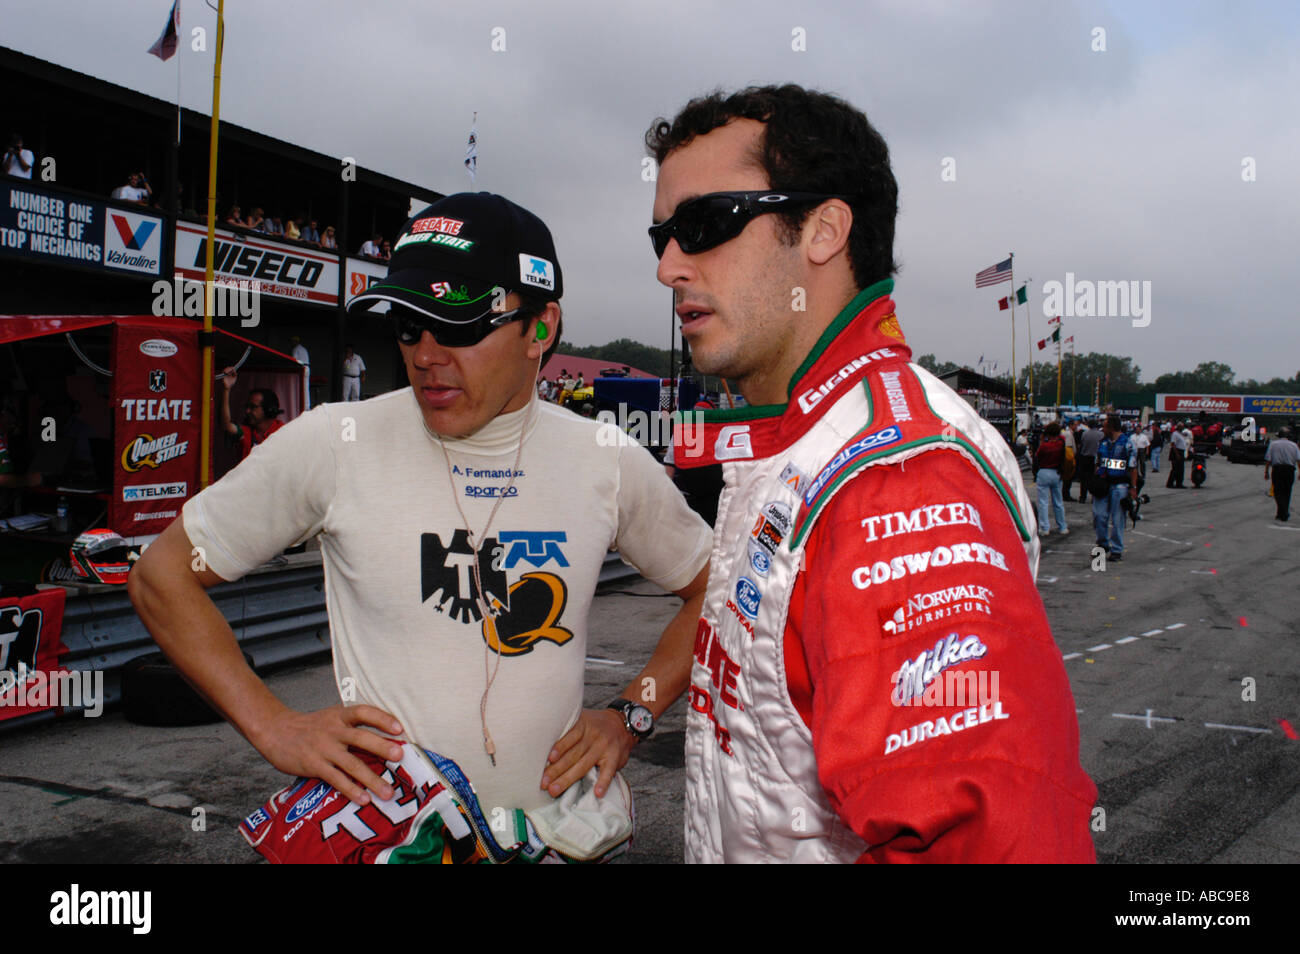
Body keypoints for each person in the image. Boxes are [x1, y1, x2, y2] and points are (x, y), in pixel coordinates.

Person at [128, 191, 711, 861]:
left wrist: (632, 712)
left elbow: (714, 590)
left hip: (557, 839)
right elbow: (160, 577)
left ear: (540, 328)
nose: (427, 354)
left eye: (459, 327)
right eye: (408, 326)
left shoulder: (605, 459)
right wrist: (274, 726)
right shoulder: (334, 442)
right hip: (394, 843)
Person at [647, 84, 1095, 863]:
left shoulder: (896, 478)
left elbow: (997, 840)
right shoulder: (804, 440)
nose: (668, 266)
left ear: (823, 230)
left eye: (701, 225)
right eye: (660, 235)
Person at [1092, 414, 1138, 561]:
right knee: (1099, 515)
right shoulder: (1103, 443)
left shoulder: (1127, 443)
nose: (1103, 429)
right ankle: (1103, 543)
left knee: (1118, 518)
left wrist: (1133, 487)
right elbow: (1098, 462)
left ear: (1111, 427)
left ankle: (1116, 549)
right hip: (1103, 484)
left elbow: (1132, 467)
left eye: (1105, 426)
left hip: (1120, 485)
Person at [218, 368, 285, 461]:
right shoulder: (247, 432)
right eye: (247, 407)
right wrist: (226, 389)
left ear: (269, 410)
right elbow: (226, 425)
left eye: (253, 407)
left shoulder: (283, 432)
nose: (247, 411)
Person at [1034, 421, 1069, 535]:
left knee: (1043, 502)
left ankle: (1045, 528)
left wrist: (1043, 439)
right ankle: (1062, 526)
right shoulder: (1061, 443)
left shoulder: (1044, 445)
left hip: (1044, 471)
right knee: (1058, 502)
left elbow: (1037, 456)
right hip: (1057, 473)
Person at [1264, 426, 1298, 521]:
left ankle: (1283, 512)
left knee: (1277, 492)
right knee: (1287, 492)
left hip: (1278, 469)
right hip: (1290, 470)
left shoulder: (1273, 444)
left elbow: (1268, 459)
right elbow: (1298, 459)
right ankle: (1281, 513)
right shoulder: (1294, 445)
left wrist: (1266, 472)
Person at [1076, 419, 1103, 504]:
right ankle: (1094, 497)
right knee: (1094, 478)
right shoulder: (1101, 434)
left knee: (1084, 479)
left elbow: (1082, 444)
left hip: (1085, 458)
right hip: (1096, 459)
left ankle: (1082, 497)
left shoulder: (1085, 433)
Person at [290, 335, 311, 410]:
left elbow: (294, 360)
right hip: (307, 367)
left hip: (302, 368)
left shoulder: (295, 349)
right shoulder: (303, 348)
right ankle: (307, 406)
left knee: (302, 387)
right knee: (306, 387)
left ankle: (304, 406)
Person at [1167, 422, 1188, 488]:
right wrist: (1177, 454)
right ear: (1178, 427)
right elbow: (1173, 444)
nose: (1182, 428)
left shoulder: (1180, 434)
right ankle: (1170, 483)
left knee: (1181, 469)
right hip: (1176, 452)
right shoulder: (1175, 434)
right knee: (1175, 469)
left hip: (1181, 452)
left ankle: (1179, 483)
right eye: (1181, 427)